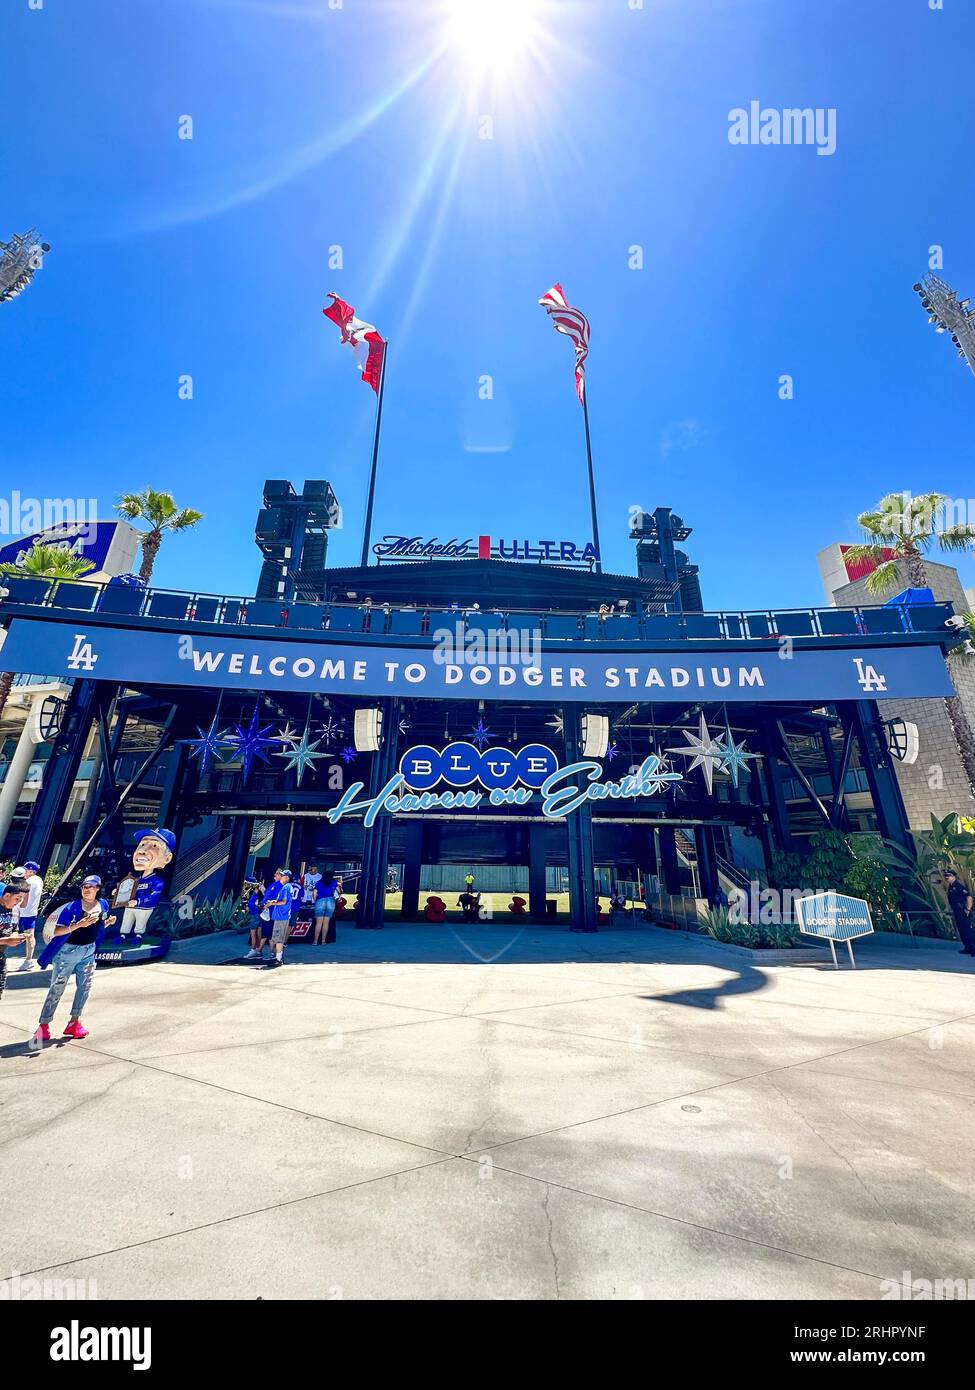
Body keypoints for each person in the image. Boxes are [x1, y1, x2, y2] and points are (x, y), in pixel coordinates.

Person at [33, 875, 117, 1041]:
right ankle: (44, 1024)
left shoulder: (103, 905)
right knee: (57, 987)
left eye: (91, 886)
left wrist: (108, 922)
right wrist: (79, 924)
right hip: (67, 952)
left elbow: (99, 925)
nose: (86, 889)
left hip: (89, 951)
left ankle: (74, 1021)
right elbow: (56, 931)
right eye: (84, 886)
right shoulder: (71, 907)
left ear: (98, 888)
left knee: (85, 987)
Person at [115, 827, 175, 941]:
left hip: (144, 907)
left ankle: (138, 936)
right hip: (130, 906)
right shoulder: (136, 879)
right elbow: (129, 890)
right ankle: (122, 935)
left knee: (140, 923)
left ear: (167, 858)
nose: (142, 850)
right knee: (126, 921)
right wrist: (119, 893)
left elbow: (153, 895)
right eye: (142, 844)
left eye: (154, 846)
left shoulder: (156, 881)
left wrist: (138, 901)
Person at [0, 877, 30, 1006]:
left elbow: (14, 929)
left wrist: (17, 936)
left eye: (22, 899)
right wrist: (8, 940)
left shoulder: (14, 910)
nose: (19, 902)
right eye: (17, 898)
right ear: (7, 895)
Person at [257, 869, 293, 968]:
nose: (280, 876)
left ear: (287, 877)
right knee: (278, 938)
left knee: (278, 939)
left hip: (281, 917)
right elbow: (281, 900)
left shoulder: (285, 888)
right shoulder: (287, 887)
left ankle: (278, 959)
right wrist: (273, 901)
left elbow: (284, 901)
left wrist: (272, 903)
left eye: (282, 875)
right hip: (282, 916)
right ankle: (278, 958)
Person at [13, 860, 44, 972]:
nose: (24, 872)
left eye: (25, 870)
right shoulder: (39, 880)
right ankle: (28, 960)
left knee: (28, 936)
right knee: (30, 936)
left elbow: (24, 899)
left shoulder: (29, 881)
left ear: (31, 871)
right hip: (32, 911)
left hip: (25, 912)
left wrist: (19, 906)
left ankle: (28, 961)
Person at [945, 868, 975, 956]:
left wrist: (968, 909)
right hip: (957, 911)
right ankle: (968, 948)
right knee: (962, 930)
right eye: (946, 876)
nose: (947, 877)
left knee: (967, 931)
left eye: (949, 876)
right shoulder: (951, 887)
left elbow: (969, 897)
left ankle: (973, 949)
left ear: (954, 877)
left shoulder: (958, 886)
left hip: (963, 911)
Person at [313, 869, 341, 945]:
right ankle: (323, 941)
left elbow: (314, 894)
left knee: (318, 923)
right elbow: (339, 891)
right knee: (326, 923)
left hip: (320, 901)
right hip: (330, 901)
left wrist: (316, 900)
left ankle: (315, 941)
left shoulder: (318, 883)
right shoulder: (334, 883)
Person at [245, 880, 265, 956]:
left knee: (253, 934)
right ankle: (258, 950)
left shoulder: (257, 895)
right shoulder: (257, 895)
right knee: (258, 933)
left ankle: (253, 950)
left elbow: (251, 904)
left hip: (255, 915)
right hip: (258, 914)